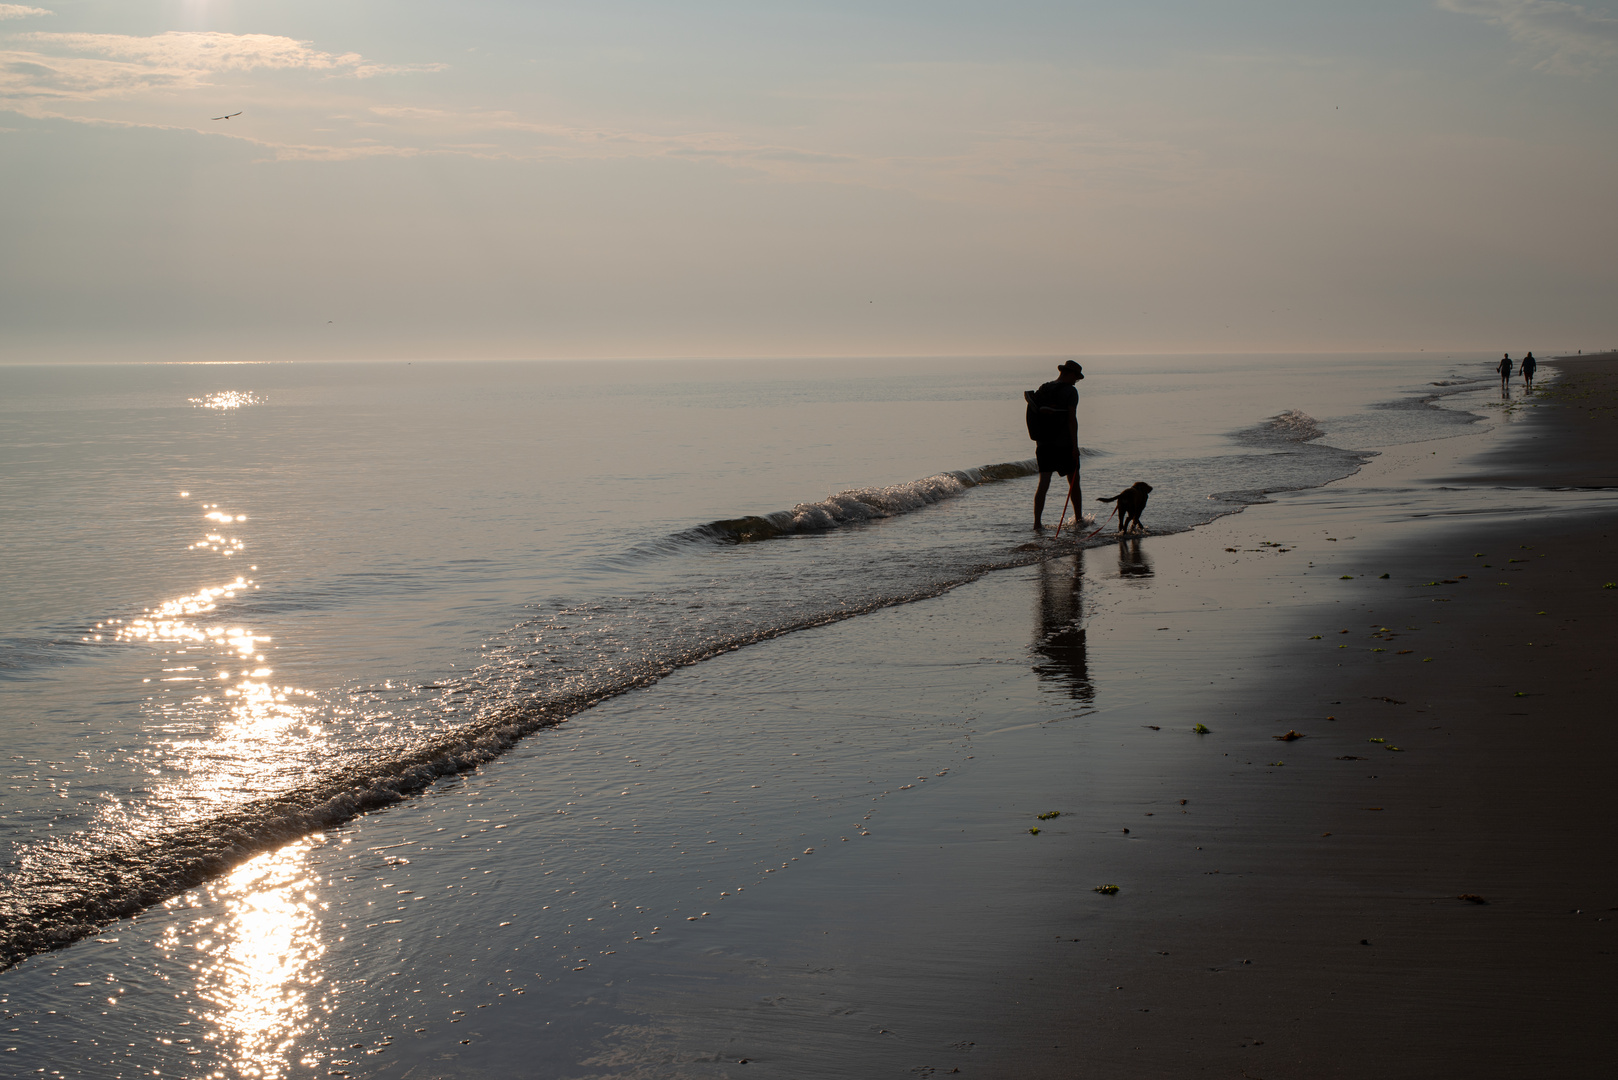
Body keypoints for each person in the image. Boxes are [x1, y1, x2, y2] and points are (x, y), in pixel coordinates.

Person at [1028, 360, 1083, 530]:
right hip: (1064, 443)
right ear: (1069, 374)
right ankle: (1079, 520)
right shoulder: (1071, 391)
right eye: (1076, 377)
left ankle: (1037, 523)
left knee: (1043, 483)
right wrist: (1075, 446)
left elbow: (1034, 412)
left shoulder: (1044, 388)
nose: (1076, 381)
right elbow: (1071, 419)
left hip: (1043, 443)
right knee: (1074, 481)